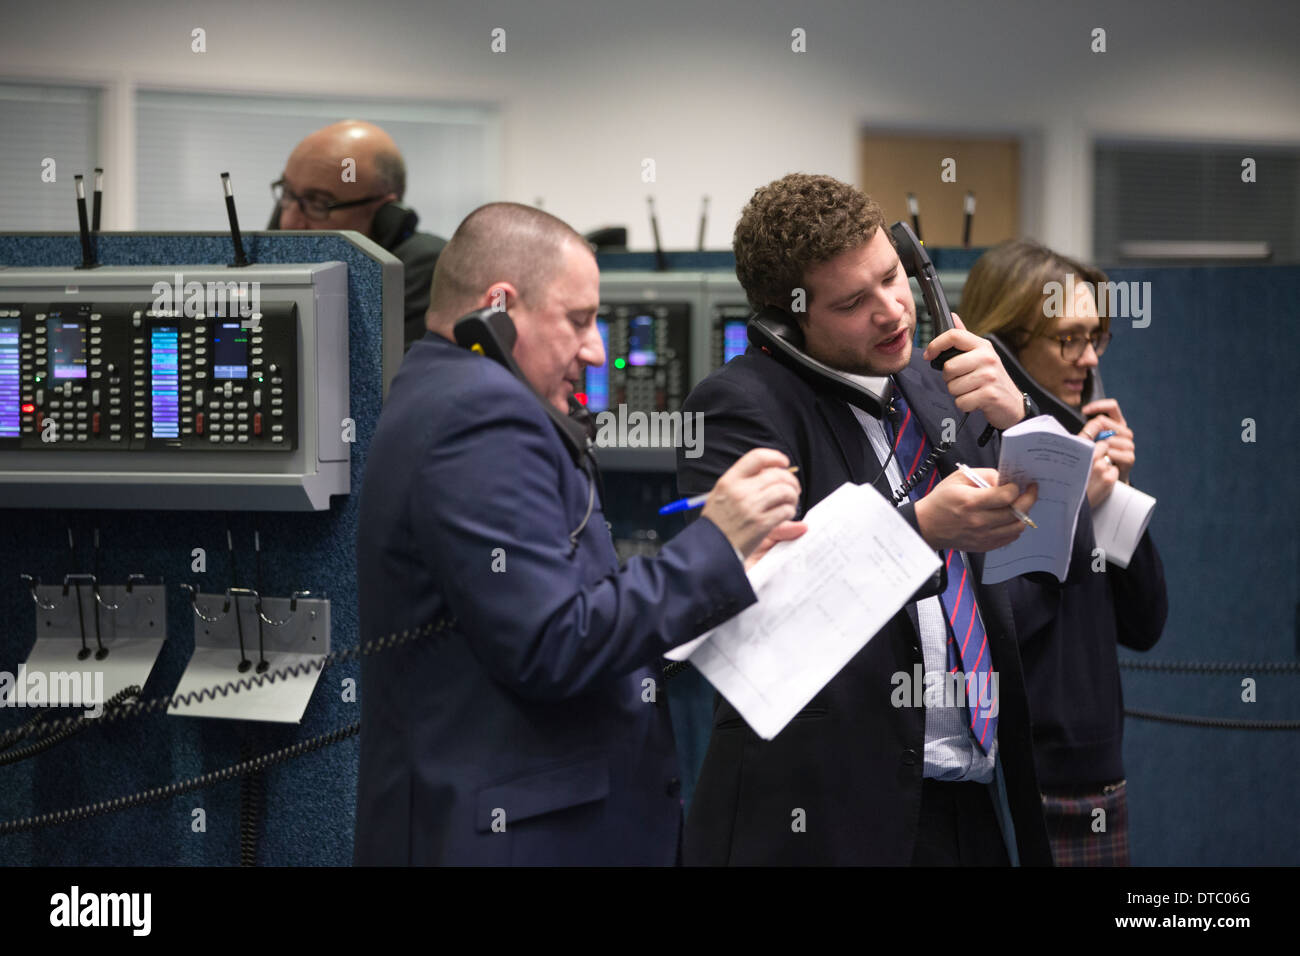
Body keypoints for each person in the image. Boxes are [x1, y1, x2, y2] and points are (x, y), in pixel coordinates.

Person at [353, 202, 804, 865]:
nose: (596, 349)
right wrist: (715, 542)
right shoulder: (484, 414)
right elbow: (552, 644)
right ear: (499, 306)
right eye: (580, 320)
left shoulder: (436, 388)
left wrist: (725, 558)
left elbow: (549, 614)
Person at [676, 173, 1069, 866]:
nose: (892, 312)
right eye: (854, 302)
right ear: (786, 320)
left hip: (971, 803)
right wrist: (918, 530)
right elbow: (751, 630)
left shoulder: (939, 382)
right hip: (828, 821)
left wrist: (1026, 424)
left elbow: (1046, 570)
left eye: (892, 277)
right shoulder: (738, 409)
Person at [960, 239, 1167, 865]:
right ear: (1006, 345)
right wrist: (1069, 503)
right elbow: (1001, 626)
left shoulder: (1084, 448)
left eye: (1096, 338)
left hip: (1095, 772)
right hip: (1020, 777)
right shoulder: (976, 454)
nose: (1086, 359)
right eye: (1067, 339)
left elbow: (1145, 623)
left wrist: (1114, 497)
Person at [271, 119, 447, 350]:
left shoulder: (424, 270)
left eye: (320, 203)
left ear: (384, 214)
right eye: (288, 193)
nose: (289, 222)